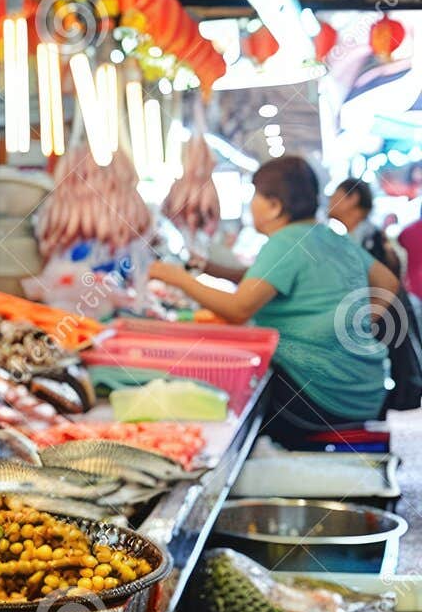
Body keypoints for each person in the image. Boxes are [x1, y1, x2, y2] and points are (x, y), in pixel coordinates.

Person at [150, 156, 404, 443]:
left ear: (274, 206)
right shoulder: (329, 236)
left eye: (254, 196)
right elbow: (388, 281)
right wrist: (356, 324)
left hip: (322, 398)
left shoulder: (285, 241)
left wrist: (177, 278)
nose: (251, 205)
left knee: (226, 407)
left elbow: (239, 310)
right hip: (365, 389)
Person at [328, 177, 403, 278]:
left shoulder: (371, 240)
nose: (330, 200)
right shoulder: (368, 236)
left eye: (335, 195)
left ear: (353, 198)